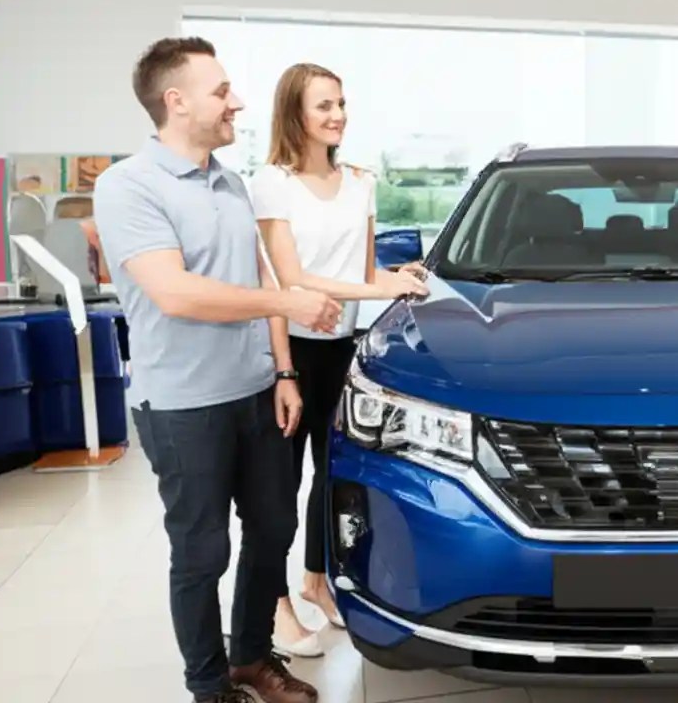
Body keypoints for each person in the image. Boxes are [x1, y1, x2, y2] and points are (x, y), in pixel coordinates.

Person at [93, 36, 340, 703]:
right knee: (203, 553)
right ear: (176, 102)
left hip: (257, 393)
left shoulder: (228, 181)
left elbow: (255, 273)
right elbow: (177, 293)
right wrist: (288, 301)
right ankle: (208, 684)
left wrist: (285, 371)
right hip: (182, 407)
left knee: (274, 533)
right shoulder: (126, 187)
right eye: (222, 91)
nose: (237, 102)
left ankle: (252, 658)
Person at [250, 62, 428, 656]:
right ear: (294, 114)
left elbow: (358, 273)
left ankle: (316, 584)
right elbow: (287, 279)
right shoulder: (273, 182)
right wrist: (284, 370)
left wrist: (397, 277)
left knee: (331, 479)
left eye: (342, 104)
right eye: (324, 106)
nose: (338, 116)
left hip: (343, 350)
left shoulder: (361, 181)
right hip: (291, 351)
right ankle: (274, 607)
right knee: (277, 489)